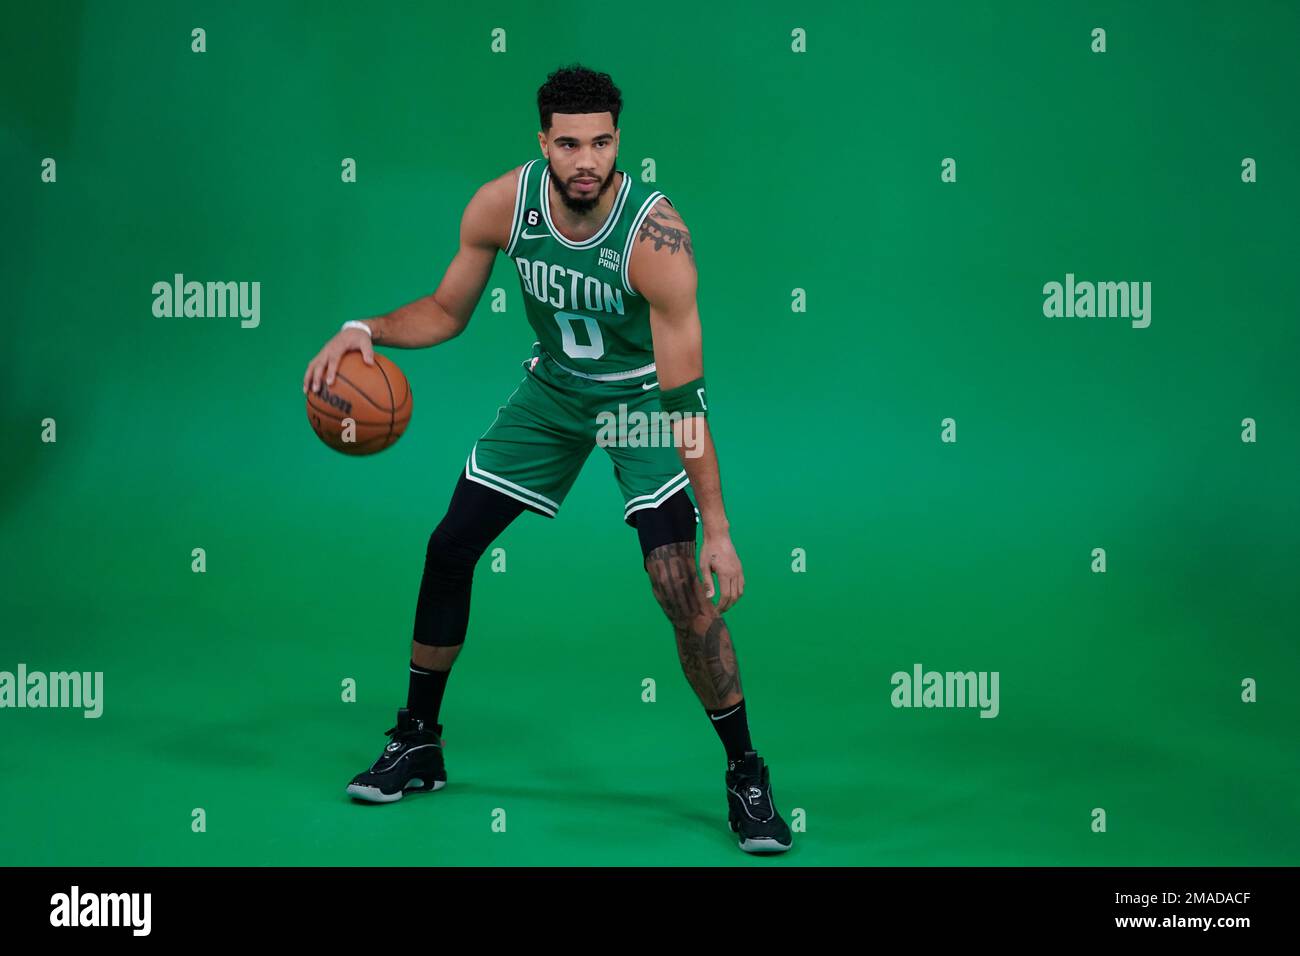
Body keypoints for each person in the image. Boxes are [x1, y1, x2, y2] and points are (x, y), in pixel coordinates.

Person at [302, 64, 791, 854]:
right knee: (449, 544)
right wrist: (366, 328)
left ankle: (745, 771)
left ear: (618, 140)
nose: (587, 159)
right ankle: (419, 740)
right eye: (569, 143)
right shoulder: (503, 204)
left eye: (602, 141)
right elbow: (445, 311)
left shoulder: (656, 240)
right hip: (555, 394)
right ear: (544, 143)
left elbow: (685, 401)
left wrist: (721, 528)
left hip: (639, 404)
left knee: (674, 581)